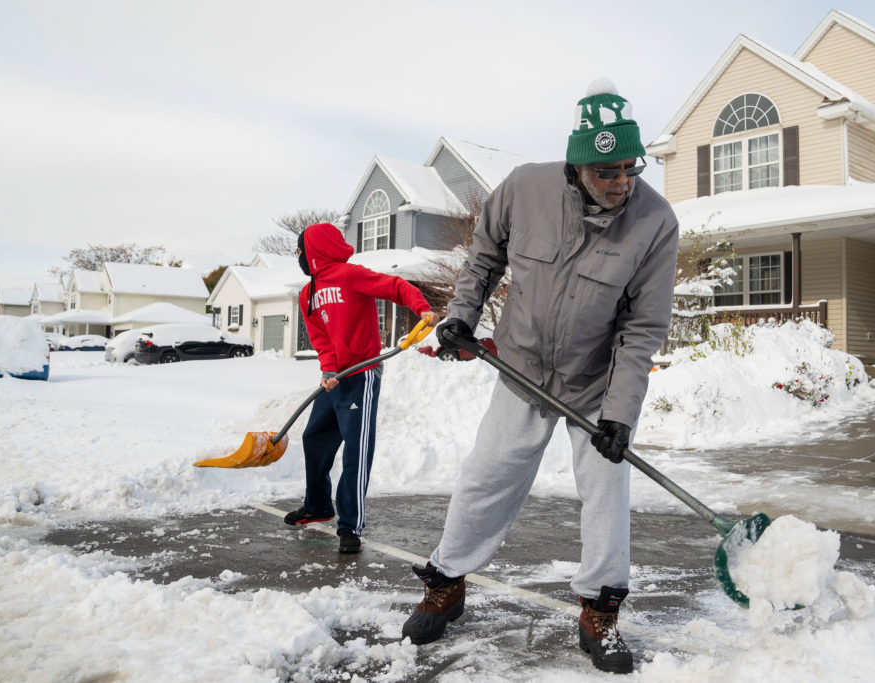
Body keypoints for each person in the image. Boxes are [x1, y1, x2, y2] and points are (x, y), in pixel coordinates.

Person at [400, 78, 679, 674]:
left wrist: (620, 413)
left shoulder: (655, 222)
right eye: (606, 171)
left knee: (607, 492)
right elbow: (484, 254)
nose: (621, 183)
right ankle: (447, 581)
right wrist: (461, 316)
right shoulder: (524, 188)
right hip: (522, 367)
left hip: (595, 380)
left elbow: (643, 328)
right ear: (577, 166)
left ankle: (599, 610)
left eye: (630, 168)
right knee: (487, 476)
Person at [285, 222, 438, 554]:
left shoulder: (350, 275)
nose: (298, 257)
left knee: (356, 450)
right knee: (315, 438)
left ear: (314, 250)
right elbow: (320, 337)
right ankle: (318, 505)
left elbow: (394, 285)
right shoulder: (307, 293)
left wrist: (421, 307)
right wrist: (327, 368)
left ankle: (350, 525)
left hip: (361, 376)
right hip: (334, 379)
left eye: (300, 251)